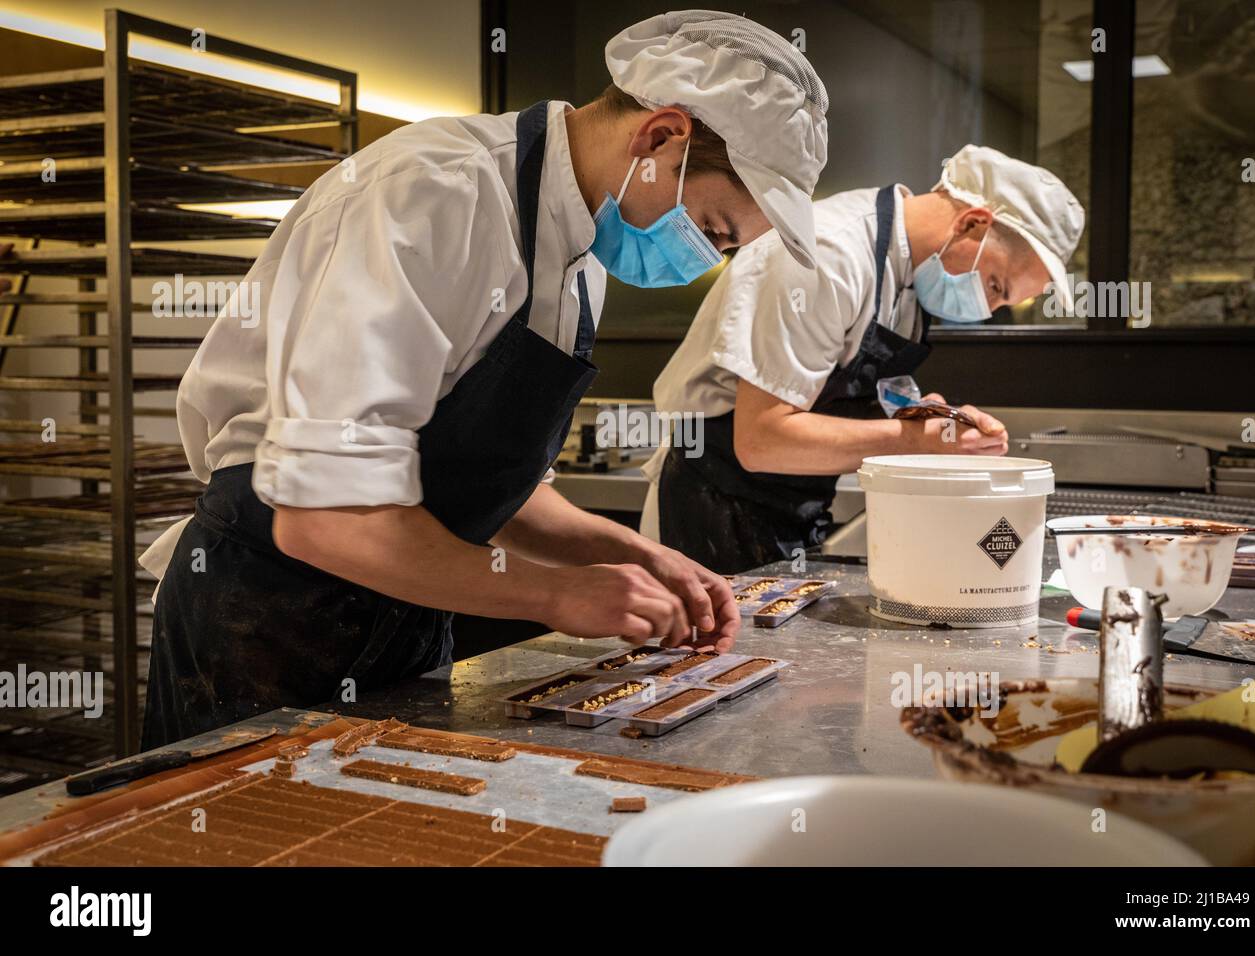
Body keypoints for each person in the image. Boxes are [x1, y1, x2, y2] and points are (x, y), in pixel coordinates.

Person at [139, 11, 830, 747]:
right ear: (660, 138)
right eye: (714, 230)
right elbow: (327, 518)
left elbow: (485, 485)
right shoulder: (435, 194)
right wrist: (559, 592)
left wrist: (633, 553)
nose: (706, 258)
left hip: (406, 615)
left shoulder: (578, 255)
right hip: (269, 623)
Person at [642, 145, 1084, 573]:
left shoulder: (909, 278)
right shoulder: (826, 254)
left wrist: (929, 418)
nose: (988, 311)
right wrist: (918, 441)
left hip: (792, 511)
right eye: (995, 287)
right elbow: (761, 440)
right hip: (710, 508)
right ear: (972, 223)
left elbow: (842, 399)